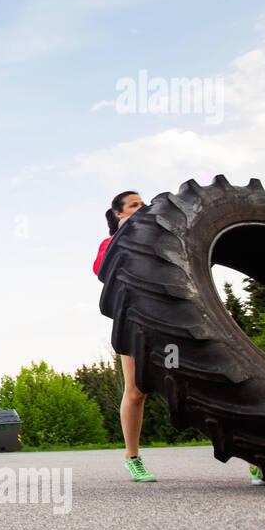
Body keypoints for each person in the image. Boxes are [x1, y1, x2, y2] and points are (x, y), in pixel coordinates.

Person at [95, 191, 157, 482]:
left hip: (173, 320)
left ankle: (254, 460)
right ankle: (133, 457)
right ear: (119, 213)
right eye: (134, 205)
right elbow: (100, 270)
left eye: (143, 204)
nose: (141, 208)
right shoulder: (109, 244)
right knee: (136, 391)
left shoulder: (159, 238)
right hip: (132, 320)